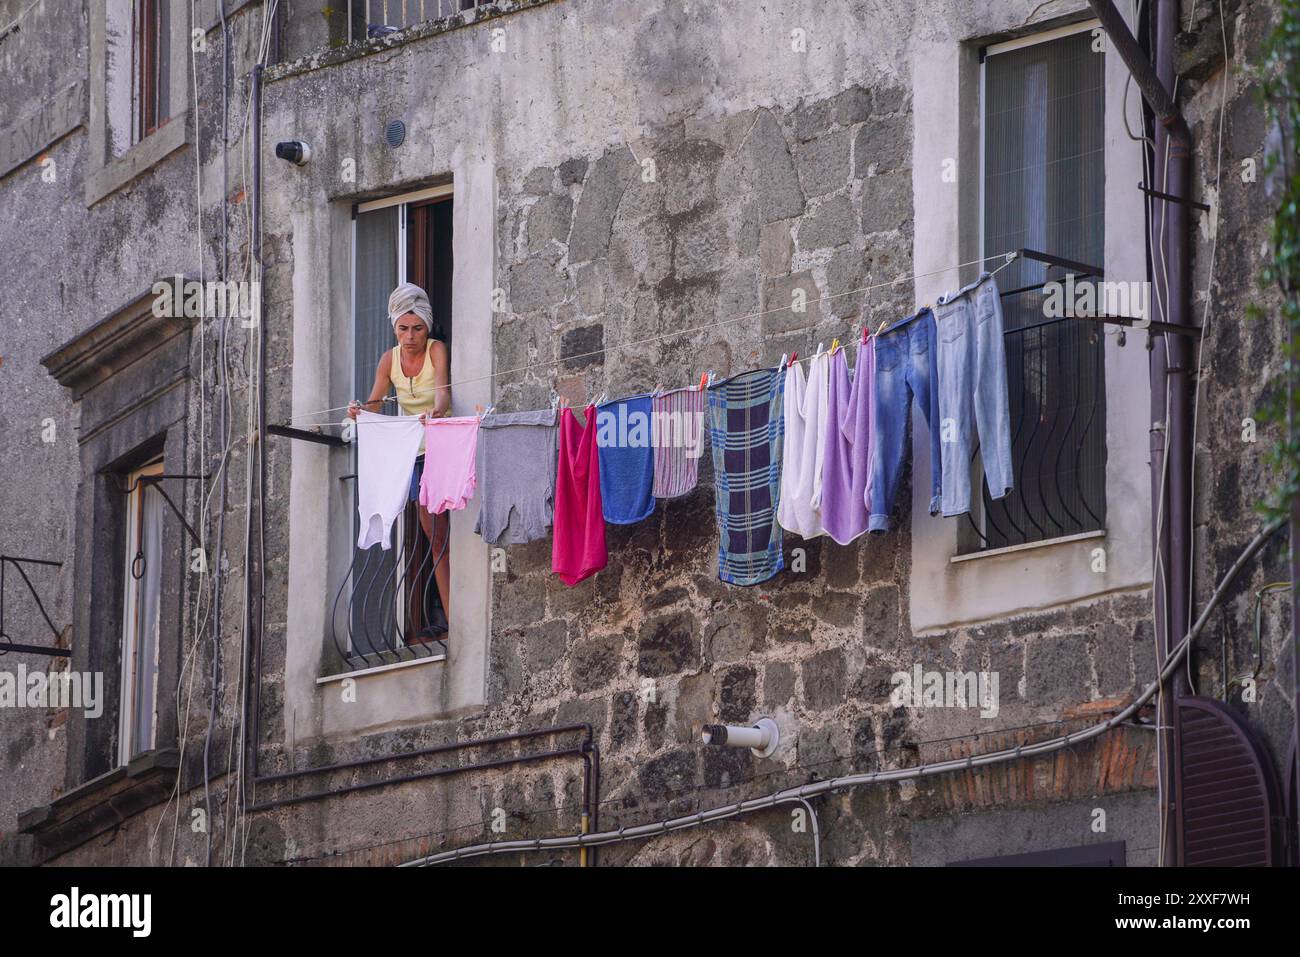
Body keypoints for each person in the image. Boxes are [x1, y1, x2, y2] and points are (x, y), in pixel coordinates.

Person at [349, 282, 452, 639]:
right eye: (403, 329)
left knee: (437, 535)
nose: (410, 337)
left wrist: (437, 413)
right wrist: (359, 411)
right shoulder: (388, 360)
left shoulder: (437, 351)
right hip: (410, 452)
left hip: (439, 448)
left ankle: (451, 615)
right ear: (394, 327)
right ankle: (443, 610)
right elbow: (374, 404)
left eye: (417, 328)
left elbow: (443, 393)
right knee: (429, 532)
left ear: (428, 327)